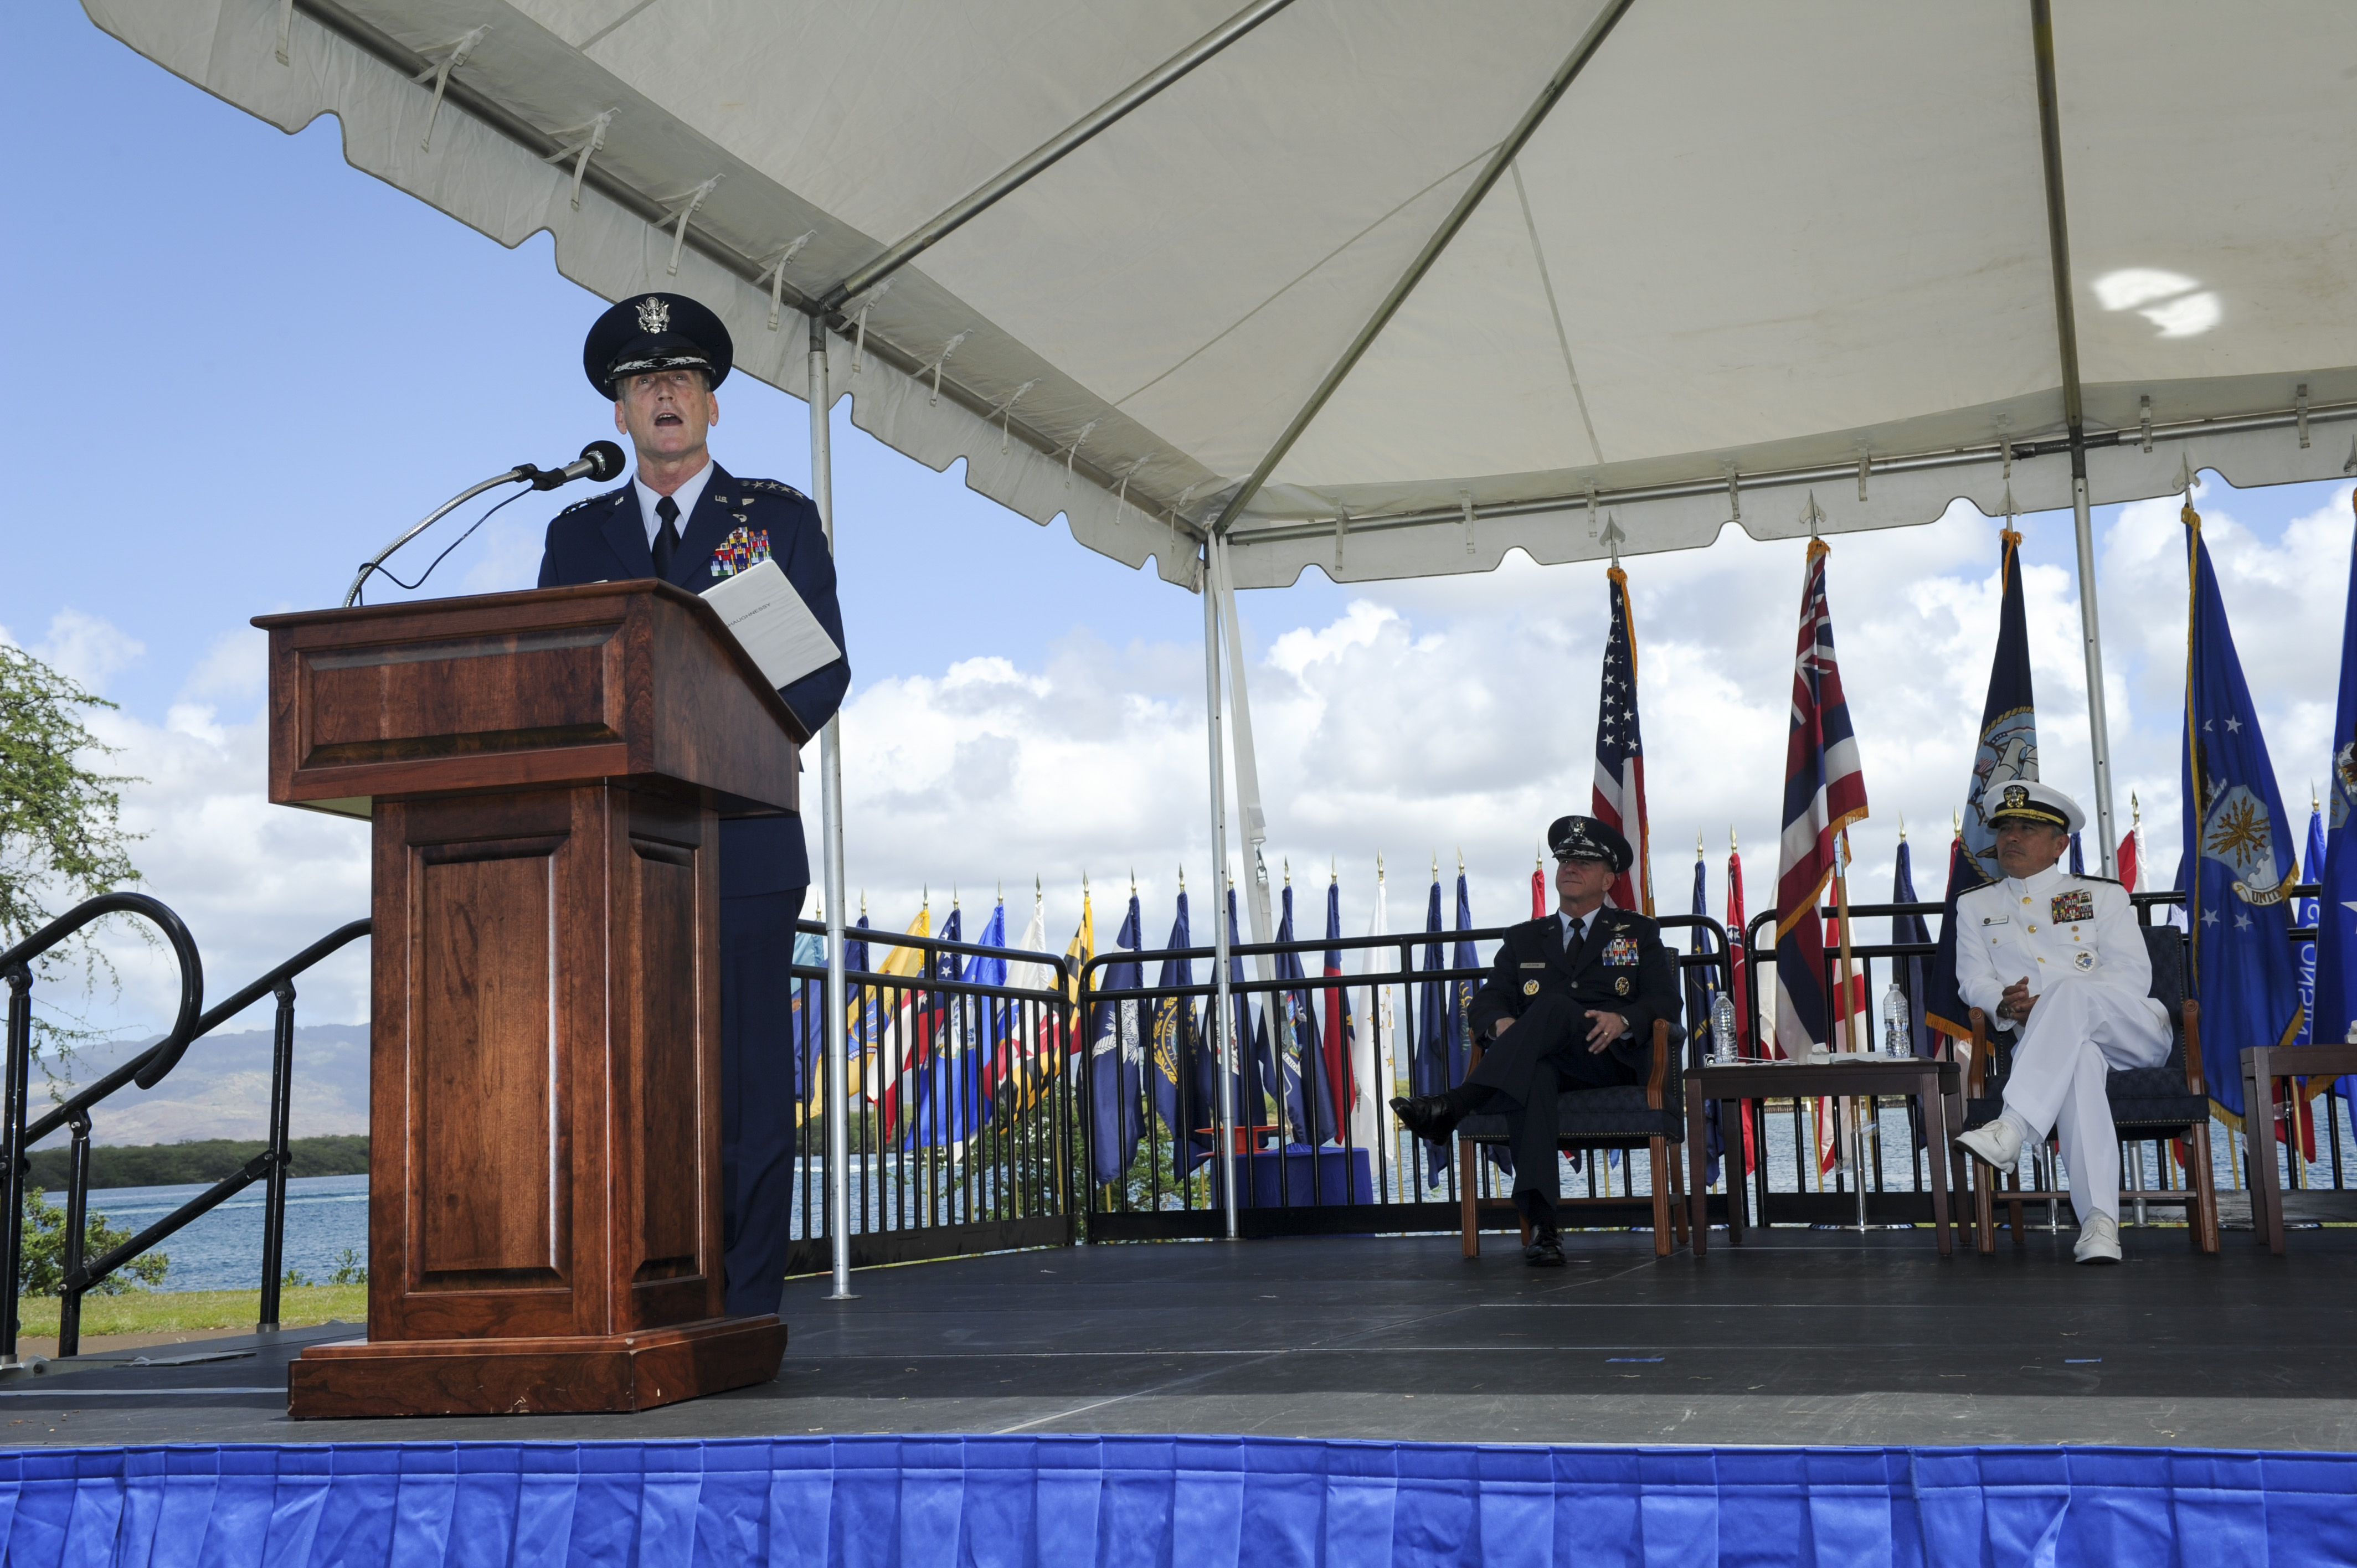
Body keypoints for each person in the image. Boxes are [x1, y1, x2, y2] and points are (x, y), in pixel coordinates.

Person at [537, 292, 850, 1316]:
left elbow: (818, 678)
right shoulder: (574, 535)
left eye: (681, 380)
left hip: (743, 843)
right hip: (621, 852)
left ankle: (747, 1304)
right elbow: (553, 683)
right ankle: (644, 1285)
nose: (662, 395)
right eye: (640, 382)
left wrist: (714, 740)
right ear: (620, 415)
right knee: (631, 1077)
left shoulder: (779, 520)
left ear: (713, 406)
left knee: (749, 1087)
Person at [1390, 815, 1680, 1266]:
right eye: (1565, 858)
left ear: (1609, 879)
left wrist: (1624, 1020)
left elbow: (1666, 1000)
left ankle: (1457, 1104)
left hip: (1609, 1060)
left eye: (1584, 861)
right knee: (1536, 1073)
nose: (1570, 866)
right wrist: (1502, 1026)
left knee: (1554, 1006)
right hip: (1545, 1060)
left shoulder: (1639, 932)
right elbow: (1485, 1004)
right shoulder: (1524, 938)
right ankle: (1544, 1228)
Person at [1950, 780, 2167, 1265]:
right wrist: (2004, 1006)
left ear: (2060, 845)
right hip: (2059, 1050)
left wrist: (2056, 1002)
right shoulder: (1975, 906)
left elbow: (2133, 977)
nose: (2012, 837)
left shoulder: (2101, 896)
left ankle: (2011, 1125)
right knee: (2080, 1060)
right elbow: (1974, 982)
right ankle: (2100, 1226)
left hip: (2131, 1030)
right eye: (2006, 828)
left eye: (2027, 828)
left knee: (2070, 995)